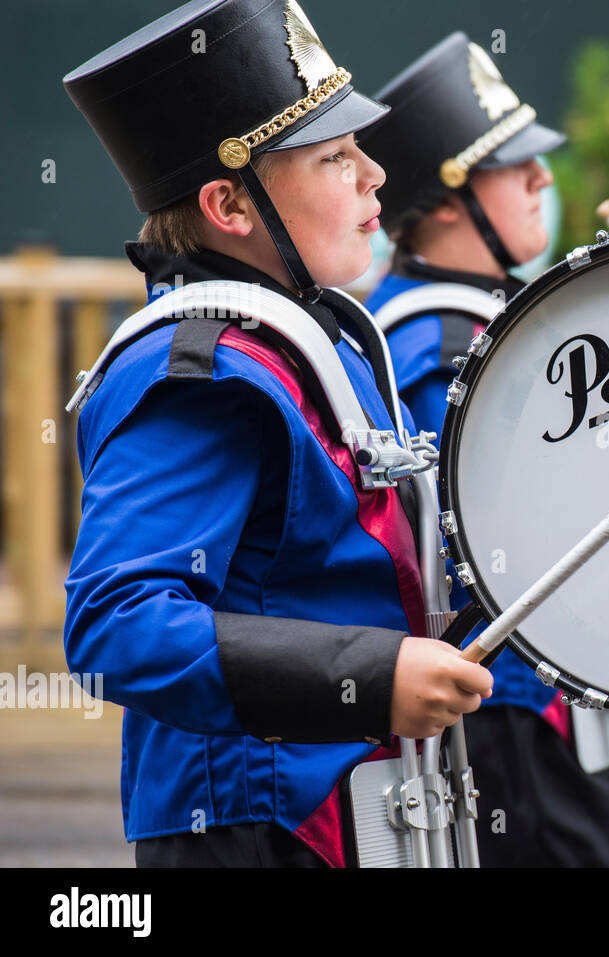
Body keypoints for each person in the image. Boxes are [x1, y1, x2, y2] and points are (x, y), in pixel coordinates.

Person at [61, 0, 492, 868]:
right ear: (229, 203)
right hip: (258, 832)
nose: (376, 174)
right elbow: (117, 624)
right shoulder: (202, 374)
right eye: (335, 157)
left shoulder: (312, 339)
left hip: (346, 816)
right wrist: (373, 676)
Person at [360, 33, 609, 866]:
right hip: (507, 719)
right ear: (449, 198)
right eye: (516, 167)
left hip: (541, 707)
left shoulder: (481, 322)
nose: (544, 181)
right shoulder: (441, 347)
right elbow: (493, 551)